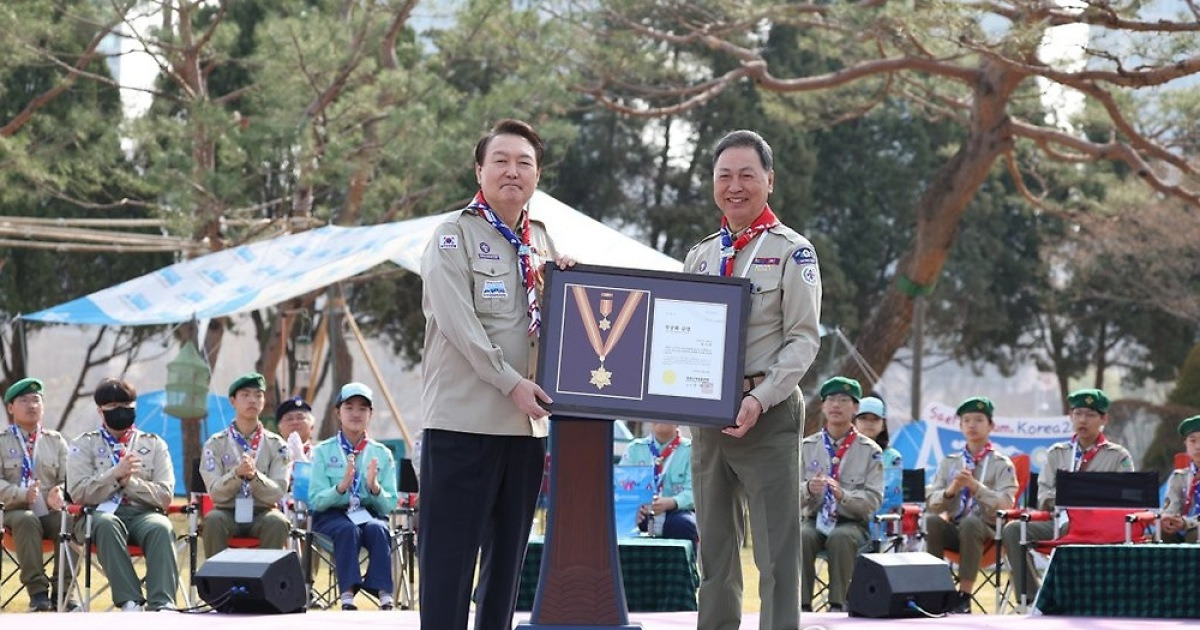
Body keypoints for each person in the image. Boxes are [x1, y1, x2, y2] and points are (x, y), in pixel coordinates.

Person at [418, 118, 572, 630]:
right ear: (479, 170)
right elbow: (461, 328)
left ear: (537, 175)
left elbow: (560, 330)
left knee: (506, 568)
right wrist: (511, 383)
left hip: (525, 430)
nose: (513, 172)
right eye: (501, 161)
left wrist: (574, 289)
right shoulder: (452, 237)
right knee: (449, 566)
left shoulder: (544, 244)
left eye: (524, 163)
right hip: (463, 426)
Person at [683, 128, 822, 630]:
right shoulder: (700, 256)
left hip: (767, 411)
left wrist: (760, 399)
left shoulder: (793, 252)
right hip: (706, 417)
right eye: (725, 176)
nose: (735, 186)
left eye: (747, 175)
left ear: (770, 181)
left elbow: (804, 340)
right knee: (714, 553)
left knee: (776, 556)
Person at [1000, 388, 1134, 604]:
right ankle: (1034, 598)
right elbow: (1043, 495)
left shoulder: (1118, 456)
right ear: (1071, 417)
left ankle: (1072, 598)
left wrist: (1084, 498)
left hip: (1098, 526)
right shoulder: (1057, 453)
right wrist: (1070, 497)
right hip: (1058, 520)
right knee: (1013, 529)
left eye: (1090, 415)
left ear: (1103, 419)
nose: (1083, 420)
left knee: (1068, 529)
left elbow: (1125, 499)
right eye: (1078, 414)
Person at [67, 378, 178, 612]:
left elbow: (165, 495)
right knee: (107, 523)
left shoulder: (154, 444)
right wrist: (114, 475)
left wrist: (130, 483)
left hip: (142, 513)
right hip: (97, 515)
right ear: (100, 411)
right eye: (114, 408)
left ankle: (162, 603)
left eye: (127, 408)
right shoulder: (83, 445)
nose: (122, 413)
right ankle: (131, 601)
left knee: (161, 526)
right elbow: (78, 492)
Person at [923, 396, 1017, 614]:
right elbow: (931, 503)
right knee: (932, 522)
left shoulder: (1001, 464)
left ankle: (964, 596)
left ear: (991, 425)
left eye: (978, 420)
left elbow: (1007, 503)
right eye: (966, 420)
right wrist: (950, 491)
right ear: (961, 426)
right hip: (955, 528)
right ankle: (938, 592)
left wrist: (976, 487)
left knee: (971, 523)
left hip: (989, 533)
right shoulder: (950, 462)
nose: (972, 425)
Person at [308, 382, 398, 611]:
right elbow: (316, 499)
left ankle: (384, 593)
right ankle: (347, 595)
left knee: (378, 529)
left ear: (370, 414)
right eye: (349, 407)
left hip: (368, 513)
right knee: (348, 530)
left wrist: (374, 487)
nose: (356, 414)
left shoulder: (381, 453)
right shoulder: (322, 451)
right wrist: (340, 488)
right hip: (331, 516)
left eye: (363, 408)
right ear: (338, 412)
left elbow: (390, 503)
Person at [801, 376, 883, 613]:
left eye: (844, 400)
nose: (836, 405)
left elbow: (873, 500)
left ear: (855, 408)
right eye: (831, 400)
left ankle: (839, 605)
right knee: (802, 536)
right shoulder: (807, 446)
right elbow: (788, 492)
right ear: (823, 406)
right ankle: (801, 605)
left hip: (852, 524)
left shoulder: (870, 451)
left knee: (840, 537)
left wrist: (842, 495)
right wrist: (808, 489)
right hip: (813, 519)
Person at [199, 372, 291, 559]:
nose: (252, 400)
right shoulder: (215, 443)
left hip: (263, 511)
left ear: (264, 401)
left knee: (278, 522)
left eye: (258, 395)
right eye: (246, 395)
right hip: (226, 511)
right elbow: (215, 492)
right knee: (212, 521)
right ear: (232, 401)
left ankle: (266, 584)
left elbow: (278, 491)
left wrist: (254, 476)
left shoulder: (277, 445)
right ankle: (218, 585)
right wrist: (237, 475)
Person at [0, 378, 72, 611]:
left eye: (36, 400)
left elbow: (70, 478)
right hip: (11, 513)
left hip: (48, 512)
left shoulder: (55, 441)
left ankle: (64, 592)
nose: (31, 405)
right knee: (26, 519)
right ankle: (38, 593)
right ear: (10, 407)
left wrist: (59, 492)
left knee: (70, 521)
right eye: (23, 400)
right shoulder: (2, 442)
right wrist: (21, 494)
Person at [617, 422, 697, 545]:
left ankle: (681, 564)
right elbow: (622, 487)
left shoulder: (691, 450)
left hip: (675, 512)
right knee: (624, 522)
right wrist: (633, 507)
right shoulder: (635, 449)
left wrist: (671, 502)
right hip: (641, 511)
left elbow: (695, 492)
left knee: (685, 524)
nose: (661, 419)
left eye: (668, 415)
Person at [852, 396, 902, 512]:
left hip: (881, 515)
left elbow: (891, 492)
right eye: (863, 418)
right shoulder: (844, 451)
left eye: (875, 419)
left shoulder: (893, 457)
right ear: (854, 422)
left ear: (883, 425)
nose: (869, 423)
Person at [1160, 415, 1200, 543]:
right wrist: (1169, 520)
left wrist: (1186, 523)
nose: (1198, 447)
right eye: (1192, 441)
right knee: (1163, 532)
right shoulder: (1179, 477)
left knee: (1194, 534)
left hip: (1193, 530)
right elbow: (1171, 508)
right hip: (1184, 528)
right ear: (1186, 444)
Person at [276, 395, 316, 462]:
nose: (295, 422)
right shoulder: (272, 453)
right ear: (279, 429)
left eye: (300, 418)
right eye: (289, 419)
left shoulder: (322, 453)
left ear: (312, 427)